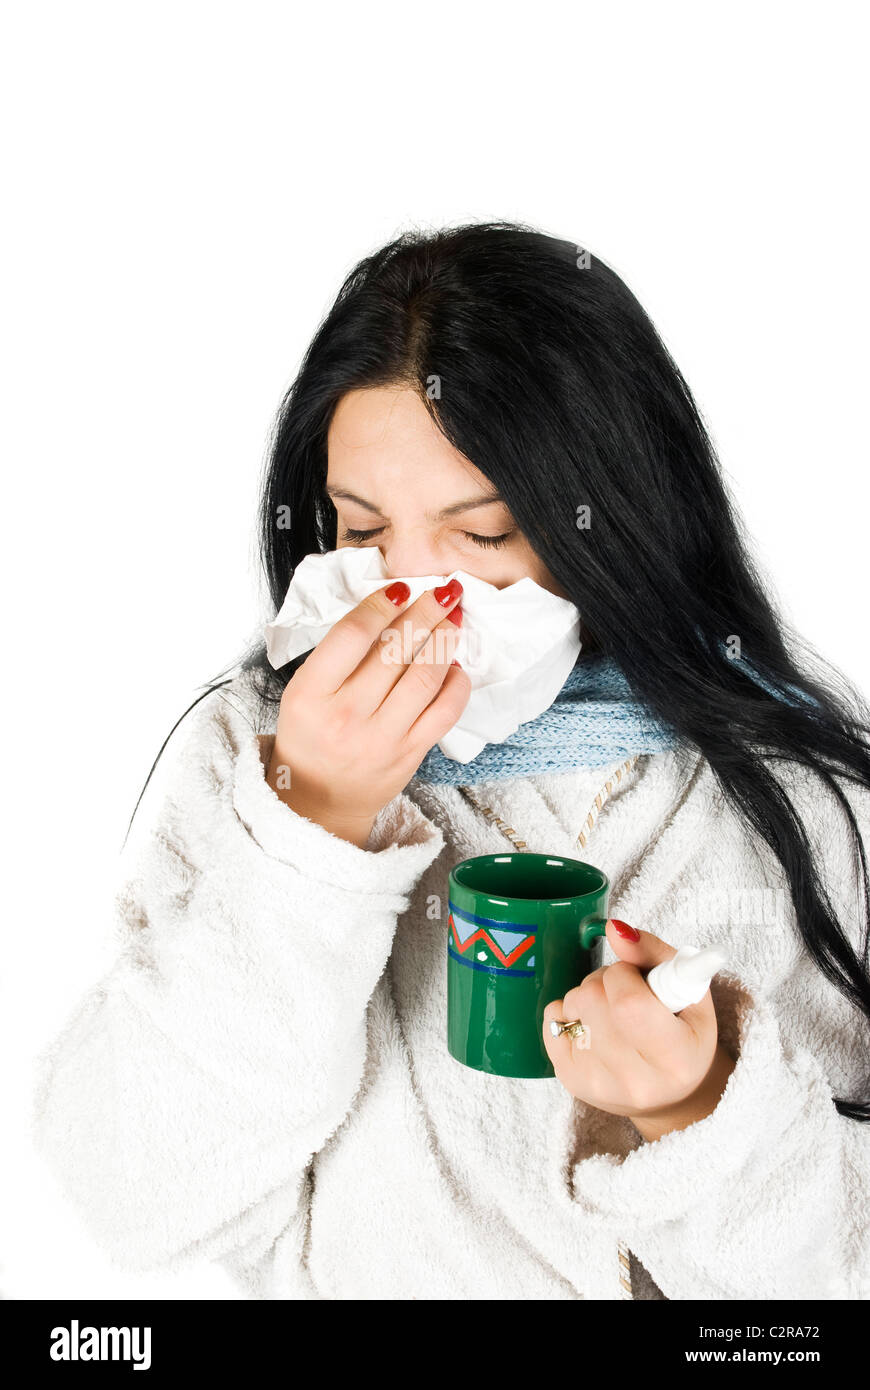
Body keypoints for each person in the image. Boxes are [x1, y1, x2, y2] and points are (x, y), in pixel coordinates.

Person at [31, 221, 870, 1300]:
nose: (411, 596)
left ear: (610, 523)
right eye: (361, 530)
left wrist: (701, 1110)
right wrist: (310, 828)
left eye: (481, 537)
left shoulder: (791, 795)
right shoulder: (257, 757)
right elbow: (130, 1191)